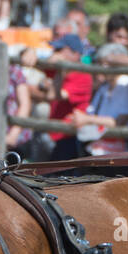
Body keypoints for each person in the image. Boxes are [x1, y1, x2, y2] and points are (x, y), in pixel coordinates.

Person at [67, 42, 128, 170]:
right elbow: (92, 113)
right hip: (100, 150)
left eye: (108, 64)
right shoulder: (105, 87)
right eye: (102, 63)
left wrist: (87, 119)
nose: (103, 68)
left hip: (121, 155)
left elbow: (119, 121)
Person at [41, 32, 92, 160]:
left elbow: (52, 95)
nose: (55, 53)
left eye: (59, 49)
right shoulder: (61, 70)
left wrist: (57, 70)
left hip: (69, 137)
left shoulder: (82, 74)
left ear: (75, 54)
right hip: (53, 133)